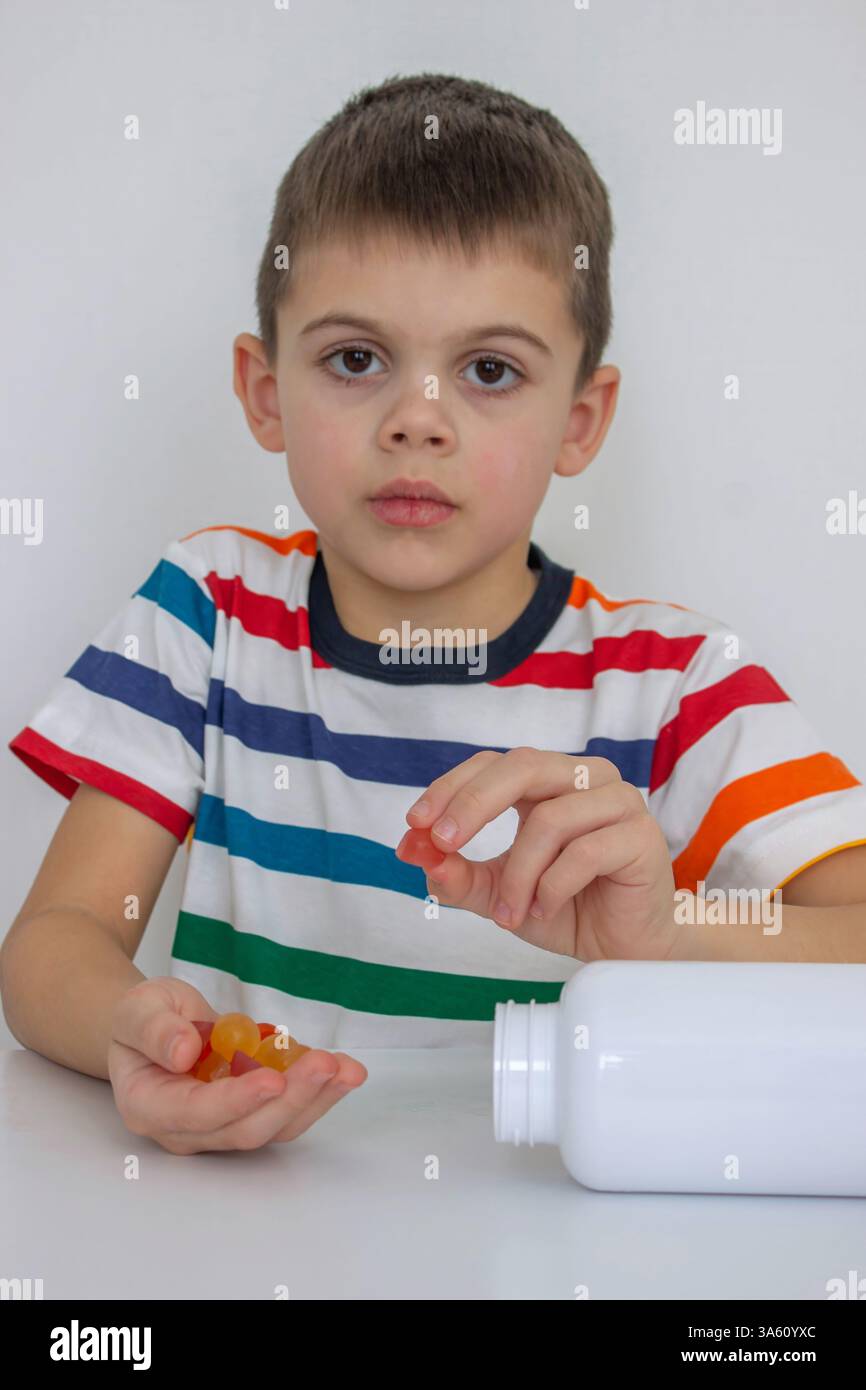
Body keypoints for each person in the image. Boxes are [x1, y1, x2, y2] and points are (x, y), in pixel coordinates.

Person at [4, 74, 866, 1156]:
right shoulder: (206, 615)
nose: (418, 421)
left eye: (489, 370)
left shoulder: (676, 685)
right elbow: (57, 941)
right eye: (355, 359)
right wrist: (127, 1030)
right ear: (265, 389)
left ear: (581, 419)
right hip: (245, 1232)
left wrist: (672, 931)